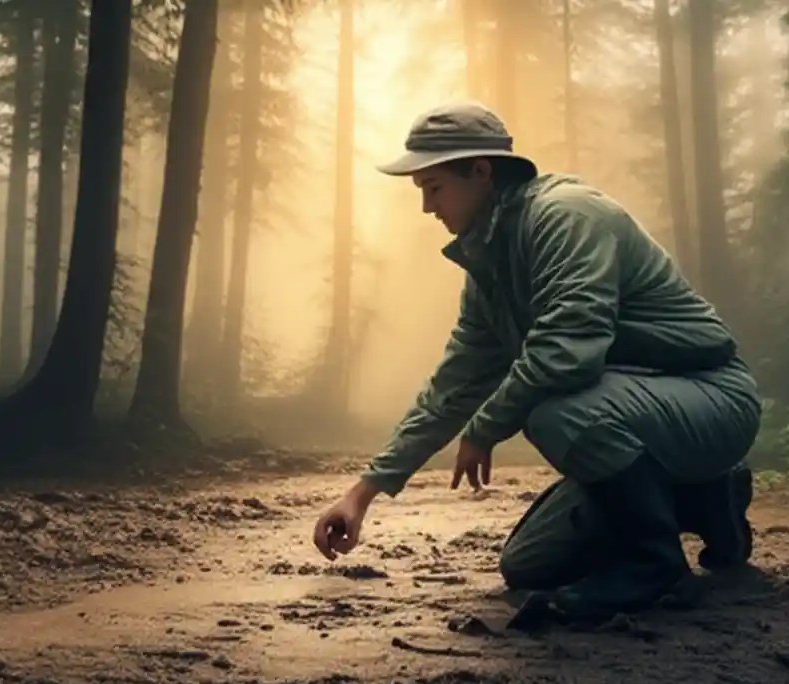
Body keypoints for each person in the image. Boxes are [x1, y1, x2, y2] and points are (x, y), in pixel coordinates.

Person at [311, 102, 762, 621]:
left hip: (712, 397)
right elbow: (453, 387)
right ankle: (707, 498)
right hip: (640, 416)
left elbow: (568, 348)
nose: (427, 208)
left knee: (554, 411)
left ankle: (655, 565)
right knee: (527, 565)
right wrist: (361, 494)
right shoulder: (490, 266)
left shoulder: (566, 216)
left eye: (433, 188)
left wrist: (485, 429)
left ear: (480, 172)